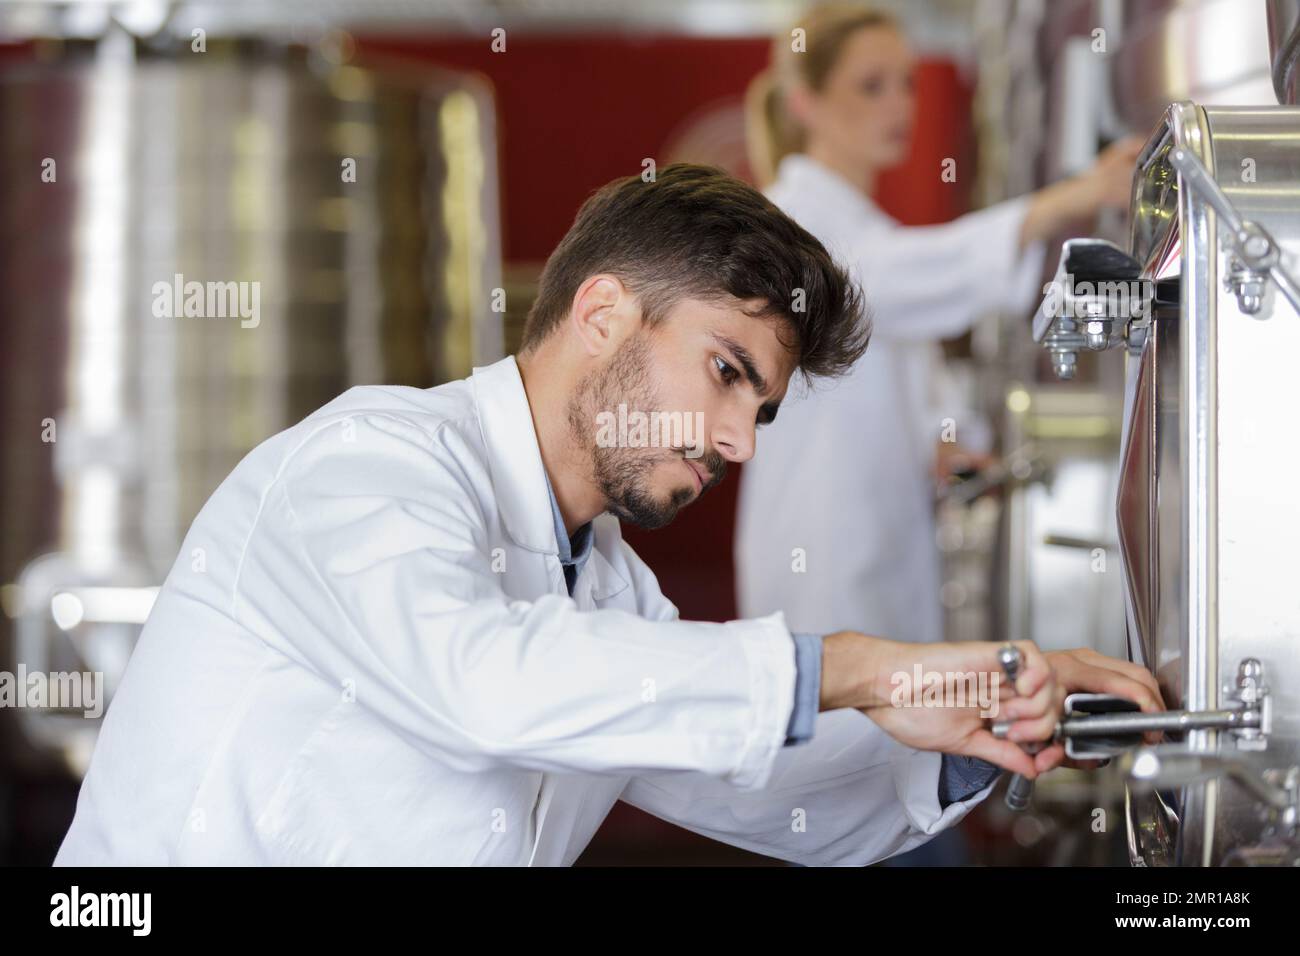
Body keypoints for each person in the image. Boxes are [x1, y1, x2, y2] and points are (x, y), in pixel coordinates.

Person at [55, 165, 1159, 867]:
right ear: (601, 313)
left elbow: (768, 787)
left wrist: (978, 718)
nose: (738, 440)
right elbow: (489, 680)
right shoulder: (367, 465)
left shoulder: (604, 586)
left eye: (761, 409)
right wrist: (864, 662)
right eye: (725, 371)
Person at [736, 3, 1142, 647]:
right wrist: (1079, 193)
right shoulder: (790, 223)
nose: (899, 105)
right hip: (824, 542)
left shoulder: (861, 223)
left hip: (877, 535)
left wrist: (941, 441)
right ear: (805, 102)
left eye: (906, 82)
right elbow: (881, 284)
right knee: (838, 728)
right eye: (871, 86)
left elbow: (897, 359)